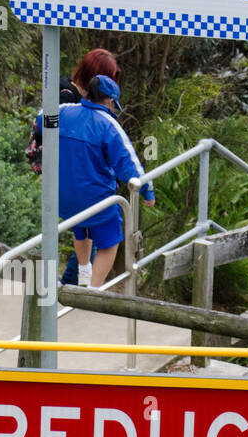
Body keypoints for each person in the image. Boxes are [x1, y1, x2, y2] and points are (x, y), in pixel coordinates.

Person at [36, 74, 155, 289]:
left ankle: (84, 274)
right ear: (110, 101)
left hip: (64, 197)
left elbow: (41, 118)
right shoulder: (107, 125)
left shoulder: (65, 112)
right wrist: (147, 190)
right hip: (95, 199)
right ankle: (93, 290)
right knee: (110, 242)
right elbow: (128, 162)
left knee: (80, 229)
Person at [26, 48, 124, 284]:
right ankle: (77, 284)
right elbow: (50, 129)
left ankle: (76, 283)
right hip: (65, 166)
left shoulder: (82, 99)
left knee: (85, 227)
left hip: (78, 170)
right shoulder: (66, 97)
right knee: (90, 225)